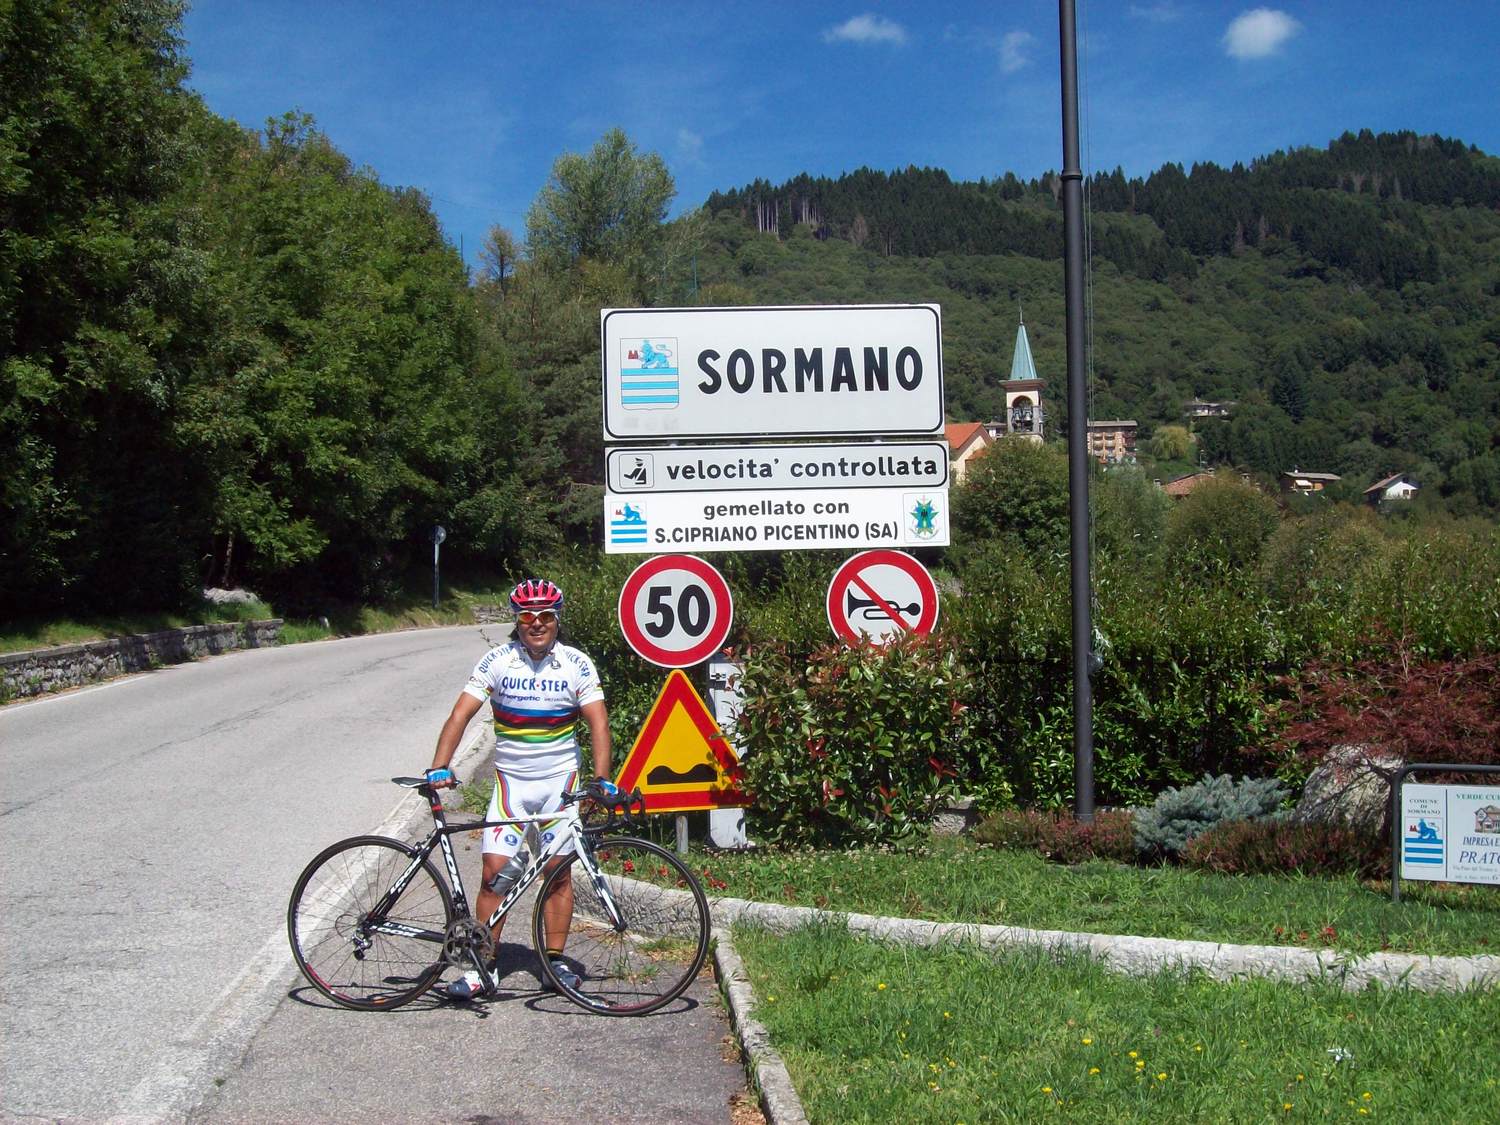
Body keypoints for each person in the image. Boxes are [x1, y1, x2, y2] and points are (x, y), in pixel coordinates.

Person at [424, 577, 616, 1000]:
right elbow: (460, 715)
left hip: (559, 787)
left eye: (546, 616)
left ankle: (554, 961)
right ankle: (482, 966)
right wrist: (441, 766)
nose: (537, 623)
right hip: (511, 785)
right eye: (527, 616)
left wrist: (601, 780)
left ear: (557, 619)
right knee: (494, 876)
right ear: (517, 620)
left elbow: (598, 723)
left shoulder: (576, 664)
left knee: (558, 875)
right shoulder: (497, 661)